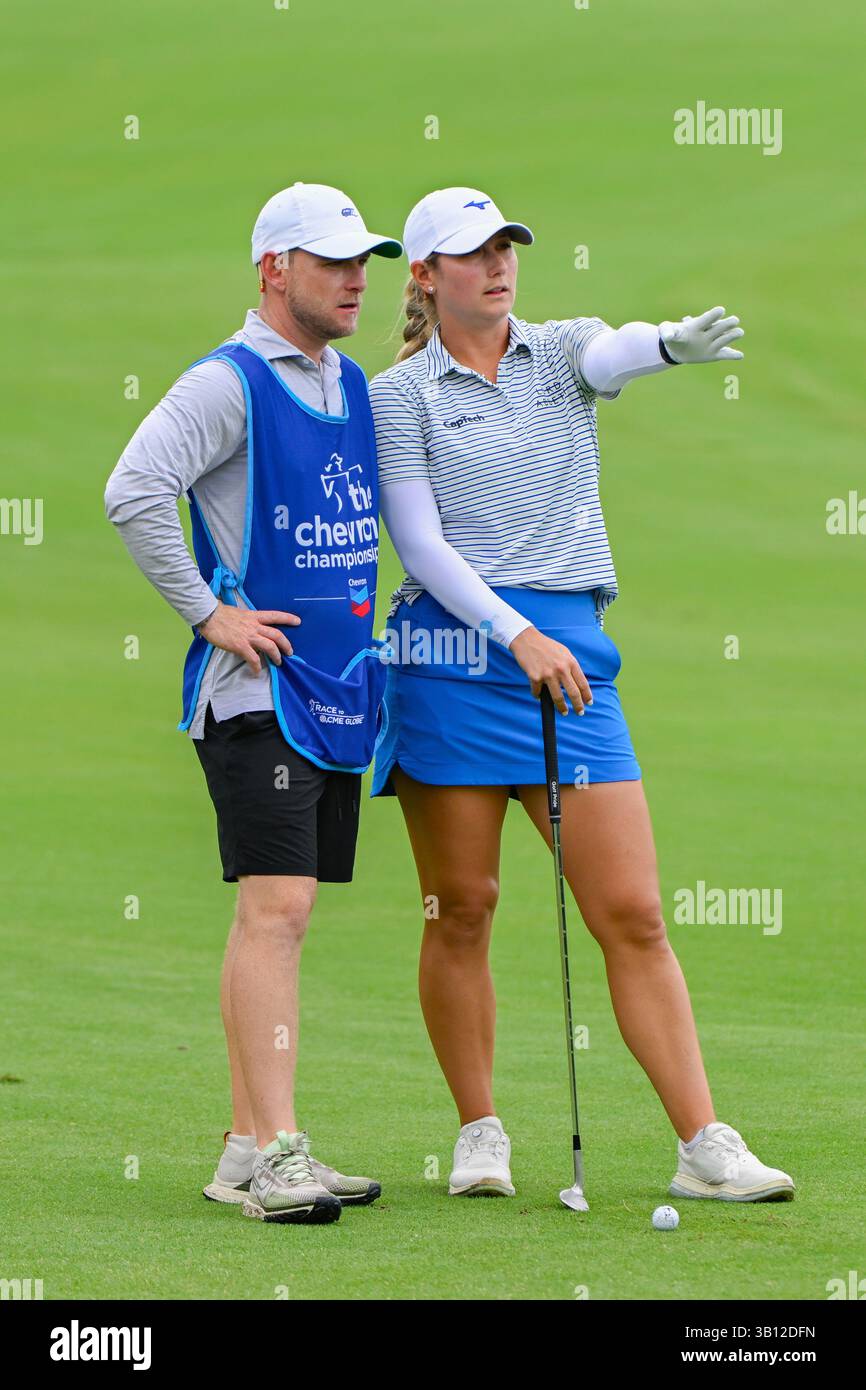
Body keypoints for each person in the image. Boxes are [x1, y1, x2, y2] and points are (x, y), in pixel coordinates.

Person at [369, 185, 795, 1204]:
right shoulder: (399, 395)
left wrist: (667, 346)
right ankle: (478, 1132)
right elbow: (420, 544)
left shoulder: (558, 348)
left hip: (569, 669)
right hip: (452, 664)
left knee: (632, 912)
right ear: (426, 275)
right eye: (470, 253)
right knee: (461, 907)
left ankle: (703, 1143)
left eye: (505, 247)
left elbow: (613, 354)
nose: (497, 264)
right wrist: (511, 633)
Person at [105, 182, 402, 1224]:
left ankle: (244, 1146)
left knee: (288, 913)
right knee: (276, 911)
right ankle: (277, 1149)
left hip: (334, 693)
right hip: (254, 694)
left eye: (362, 260)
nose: (354, 277)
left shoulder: (349, 381)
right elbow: (134, 488)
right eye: (330, 262)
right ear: (273, 269)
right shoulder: (224, 384)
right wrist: (205, 613)